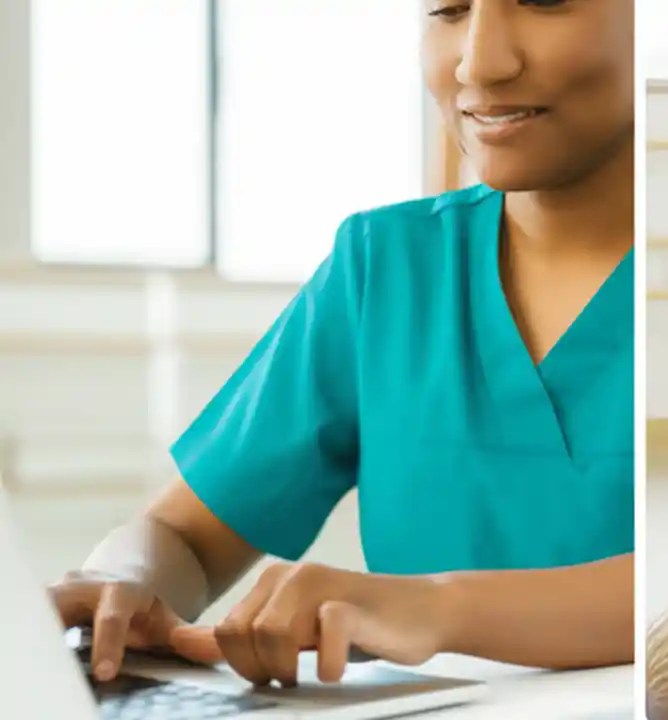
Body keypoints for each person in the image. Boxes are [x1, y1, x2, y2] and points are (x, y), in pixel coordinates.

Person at [50, 0, 635, 688]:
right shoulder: (383, 266)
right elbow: (185, 536)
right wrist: (122, 583)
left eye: (543, 2)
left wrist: (441, 608)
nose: (479, 63)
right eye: (447, 9)